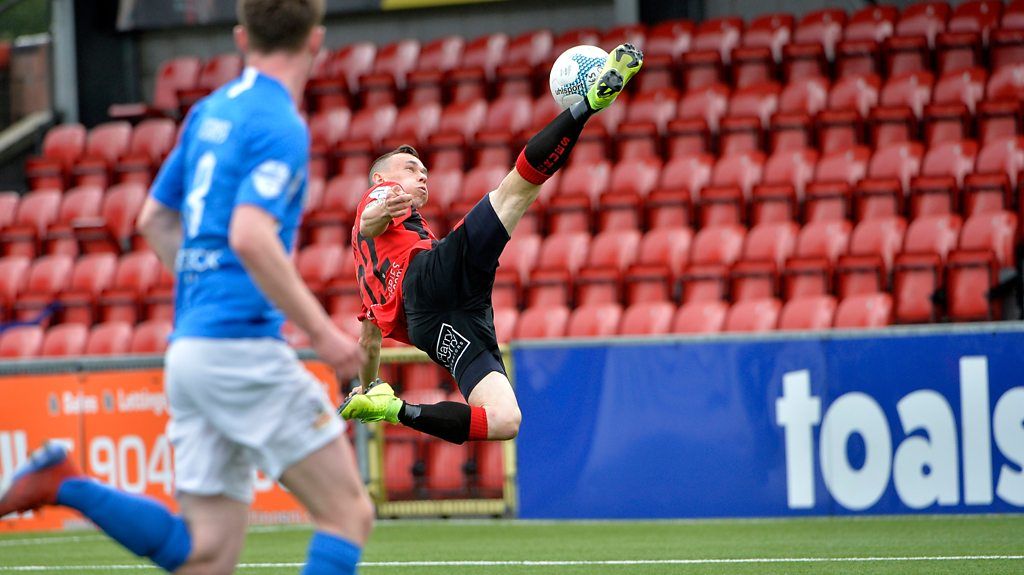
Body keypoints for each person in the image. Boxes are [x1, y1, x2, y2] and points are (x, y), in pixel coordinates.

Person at [0, 1, 373, 573]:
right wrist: (323, 334)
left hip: (192, 351)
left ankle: (69, 484)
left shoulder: (209, 111)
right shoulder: (279, 123)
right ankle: (66, 483)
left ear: (241, 37)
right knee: (348, 514)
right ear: (316, 41)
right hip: (240, 352)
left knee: (207, 554)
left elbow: (153, 218)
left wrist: (207, 285)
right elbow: (250, 235)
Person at [339, 44, 643, 445]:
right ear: (381, 179)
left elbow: (369, 339)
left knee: (504, 421)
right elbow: (369, 219)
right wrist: (384, 206)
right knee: (512, 195)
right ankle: (587, 105)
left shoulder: (368, 279)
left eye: (424, 171)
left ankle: (399, 411)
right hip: (429, 279)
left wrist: (371, 385)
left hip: (443, 324)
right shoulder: (381, 195)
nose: (422, 176)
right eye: (411, 168)